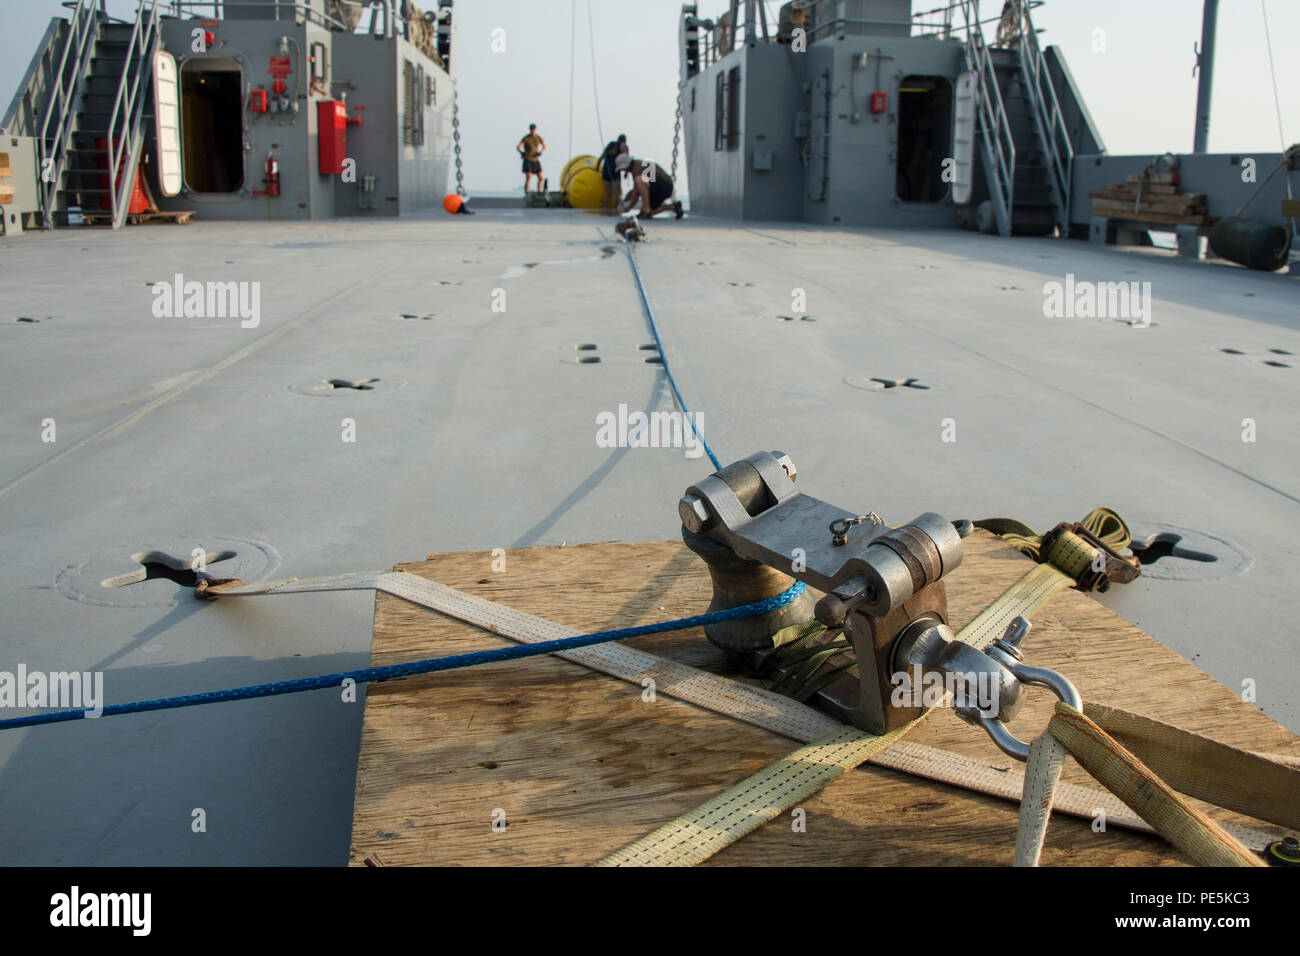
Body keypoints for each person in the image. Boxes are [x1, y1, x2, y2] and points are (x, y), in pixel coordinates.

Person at [616, 153, 683, 219]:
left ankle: (646, 210)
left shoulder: (637, 168)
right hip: (662, 187)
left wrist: (627, 208)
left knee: (639, 180)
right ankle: (673, 207)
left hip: (663, 185)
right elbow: (635, 192)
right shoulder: (636, 165)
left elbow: (635, 194)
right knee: (650, 212)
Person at [599, 134, 628, 212]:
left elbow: (602, 156)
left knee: (607, 193)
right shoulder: (623, 146)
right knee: (616, 193)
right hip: (615, 172)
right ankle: (614, 210)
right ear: (624, 141)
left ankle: (604, 210)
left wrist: (597, 167)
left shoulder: (610, 144)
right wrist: (626, 173)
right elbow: (626, 160)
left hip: (606, 170)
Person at [517, 124, 546, 195]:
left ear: (535, 130)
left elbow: (544, 145)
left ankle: (539, 192)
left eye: (534, 129)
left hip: (535, 159)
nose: (533, 131)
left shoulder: (538, 137)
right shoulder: (526, 138)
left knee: (541, 177)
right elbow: (519, 146)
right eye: (532, 129)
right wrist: (522, 153)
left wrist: (541, 152)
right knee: (529, 177)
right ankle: (527, 193)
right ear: (530, 130)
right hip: (528, 159)